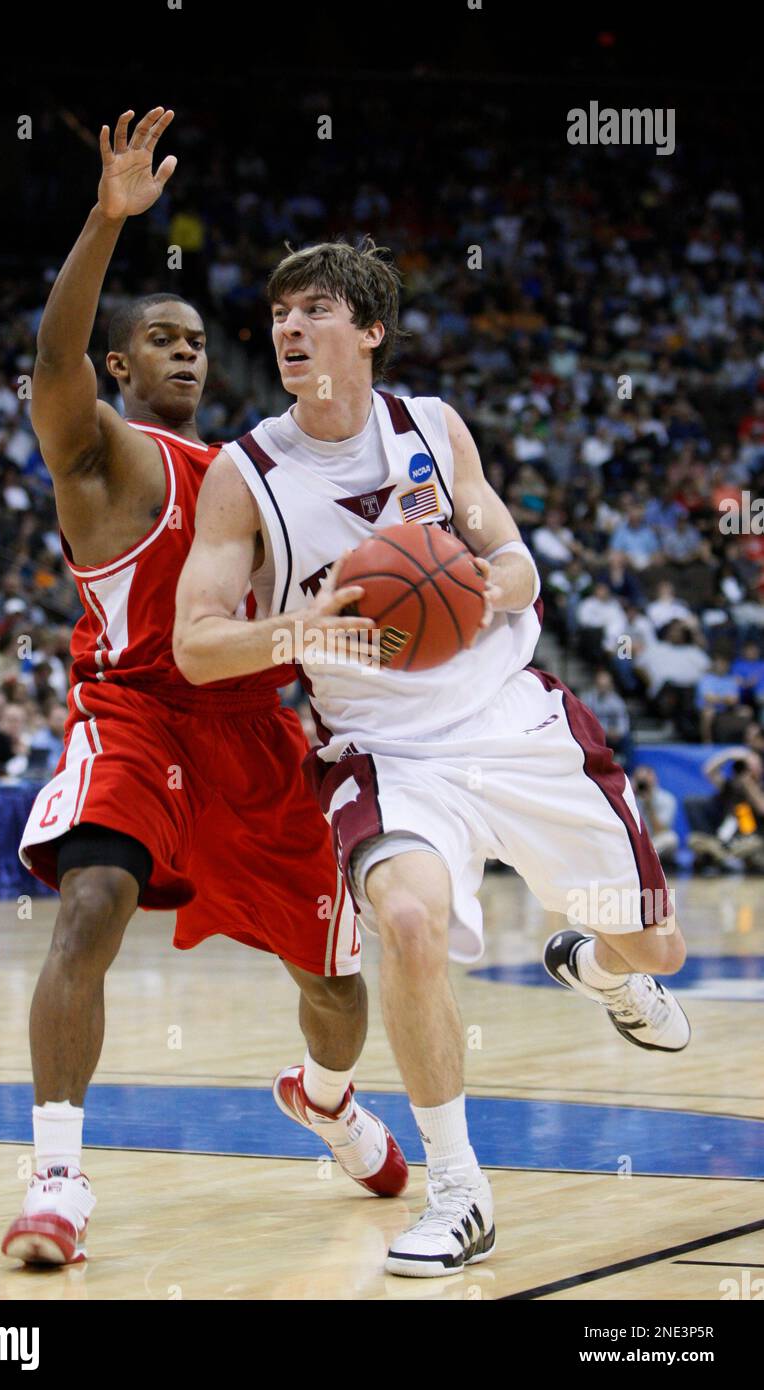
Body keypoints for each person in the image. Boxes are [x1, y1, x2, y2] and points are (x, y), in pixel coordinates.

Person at [174, 236, 690, 1280]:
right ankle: (459, 1193)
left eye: (315, 308)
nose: (288, 328)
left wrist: (482, 583)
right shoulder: (247, 473)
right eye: (279, 313)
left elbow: (513, 558)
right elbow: (194, 642)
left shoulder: (431, 428)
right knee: (402, 919)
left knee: (658, 953)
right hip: (384, 747)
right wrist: (298, 632)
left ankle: (593, 965)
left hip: (510, 715)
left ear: (369, 331)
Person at [4, 111, 406, 1270]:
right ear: (121, 367)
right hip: (136, 713)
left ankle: (326, 1099)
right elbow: (51, 364)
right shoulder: (106, 456)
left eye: (197, 339)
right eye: (162, 339)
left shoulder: (253, 474)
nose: (189, 351)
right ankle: (59, 1179)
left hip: (255, 732)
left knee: (332, 977)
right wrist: (108, 218)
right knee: (91, 903)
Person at [631, 766, 679, 867]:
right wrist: (629, 795)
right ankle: (639, 857)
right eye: (640, 780)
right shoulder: (628, 797)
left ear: (654, 779)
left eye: (646, 780)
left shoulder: (667, 799)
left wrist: (649, 805)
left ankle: (639, 858)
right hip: (634, 840)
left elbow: (660, 830)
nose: (643, 783)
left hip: (655, 841)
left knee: (671, 839)